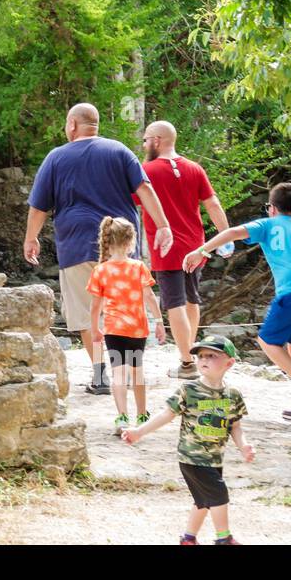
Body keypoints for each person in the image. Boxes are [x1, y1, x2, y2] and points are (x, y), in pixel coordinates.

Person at [24, 102, 174, 395]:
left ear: (72, 125)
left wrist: (31, 238)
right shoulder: (120, 151)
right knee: (122, 306)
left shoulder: (56, 158)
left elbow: (39, 205)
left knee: (86, 310)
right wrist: (164, 225)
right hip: (119, 244)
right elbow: (145, 190)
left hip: (76, 243)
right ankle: (126, 369)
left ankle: (100, 376)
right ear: (96, 125)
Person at [183, 182, 291, 422]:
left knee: (268, 340)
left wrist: (201, 250)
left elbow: (233, 233)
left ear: (272, 208)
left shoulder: (267, 224)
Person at [121, 336, 254, 545]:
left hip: (214, 459)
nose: (204, 359)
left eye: (212, 355)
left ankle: (188, 538)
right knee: (219, 494)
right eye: (201, 355)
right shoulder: (189, 390)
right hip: (192, 457)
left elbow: (235, 426)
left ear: (229, 363)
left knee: (203, 500)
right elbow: (167, 414)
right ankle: (224, 538)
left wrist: (243, 446)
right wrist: (140, 431)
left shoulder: (233, 395)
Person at [137, 120, 234, 380]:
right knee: (192, 299)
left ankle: (187, 362)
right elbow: (212, 204)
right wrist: (225, 237)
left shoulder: (146, 171)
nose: (145, 145)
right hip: (196, 246)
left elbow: (131, 201)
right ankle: (189, 354)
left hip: (166, 247)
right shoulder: (194, 168)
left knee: (174, 304)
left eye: (146, 140)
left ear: (156, 141)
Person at [86, 216, 166, 432]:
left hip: (113, 329)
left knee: (118, 373)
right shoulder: (138, 267)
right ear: (131, 241)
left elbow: (95, 306)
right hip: (137, 328)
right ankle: (142, 415)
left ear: (107, 240)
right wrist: (159, 322)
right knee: (137, 372)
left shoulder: (100, 271)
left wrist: (95, 328)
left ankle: (122, 417)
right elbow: (149, 297)